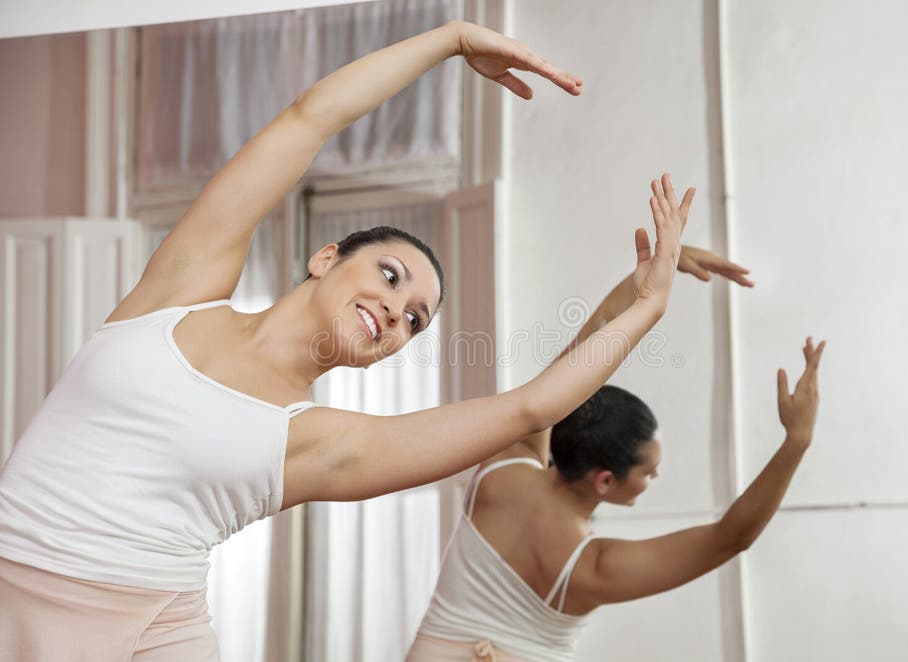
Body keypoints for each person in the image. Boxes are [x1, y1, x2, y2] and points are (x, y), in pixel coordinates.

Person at [0, 20, 698, 662]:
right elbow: (312, 117)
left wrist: (649, 308)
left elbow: (526, 410)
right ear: (326, 256)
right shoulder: (181, 288)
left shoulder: (320, 442)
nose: (397, 311)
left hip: (153, 623)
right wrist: (450, 39)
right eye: (390, 277)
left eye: (416, 319)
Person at [406, 265, 824, 662]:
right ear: (605, 481)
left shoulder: (500, 470)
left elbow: (587, 348)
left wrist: (654, 273)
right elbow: (729, 538)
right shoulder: (591, 567)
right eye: (648, 470)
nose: (655, 477)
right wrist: (797, 440)